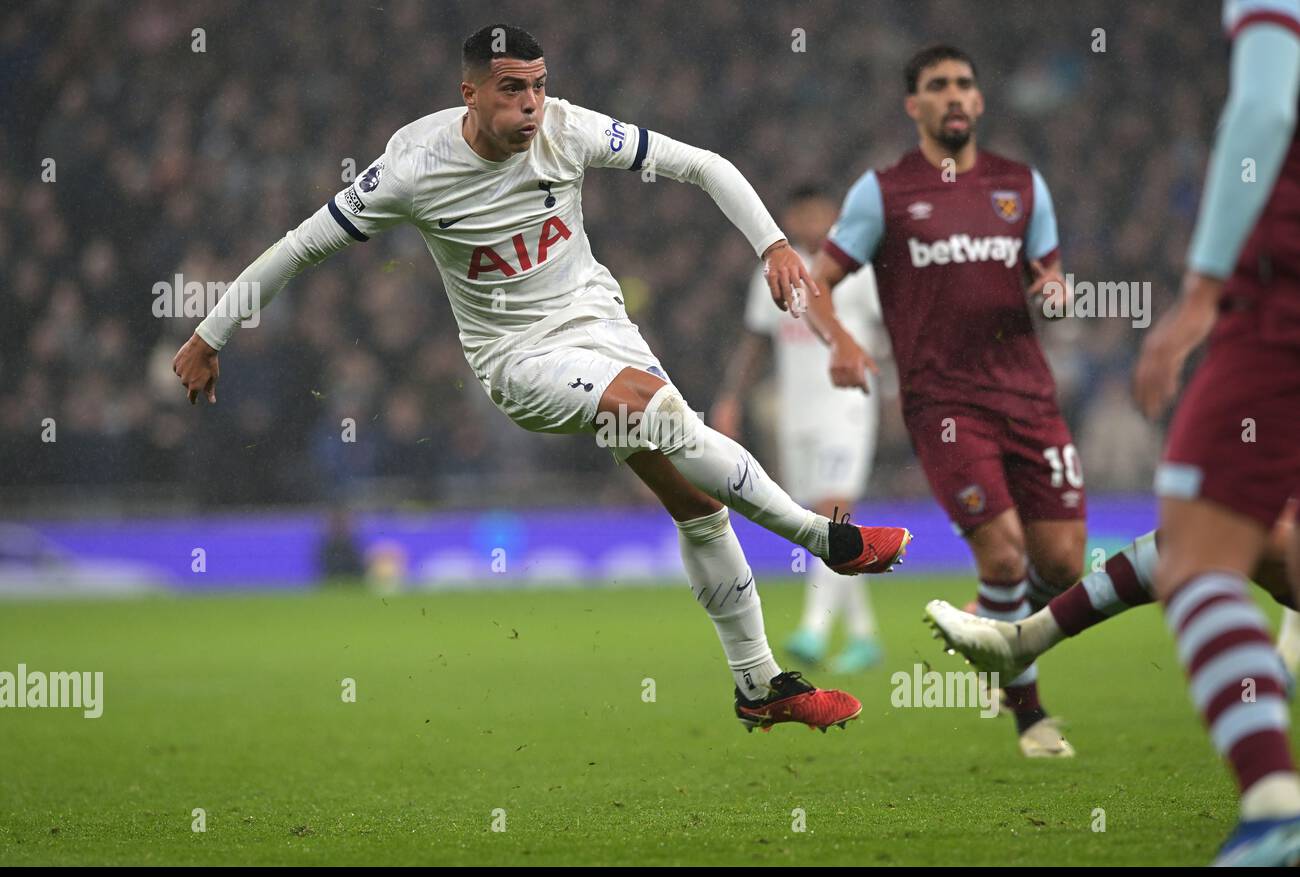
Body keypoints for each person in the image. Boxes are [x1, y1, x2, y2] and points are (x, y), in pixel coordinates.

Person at [170, 24, 912, 734]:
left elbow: (703, 165)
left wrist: (774, 244)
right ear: (470, 95)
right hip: (520, 361)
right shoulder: (411, 171)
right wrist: (211, 331)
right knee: (659, 412)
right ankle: (823, 538)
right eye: (511, 90)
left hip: (601, 325)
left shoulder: (566, 127)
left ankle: (759, 686)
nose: (530, 105)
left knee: (696, 505)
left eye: (538, 86)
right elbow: (301, 247)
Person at [934, 0, 1300, 865]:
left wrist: (1202, 290)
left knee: (1203, 554)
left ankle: (1275, 804)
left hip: (1278, 289)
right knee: (1230, 541)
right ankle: (1025, 639)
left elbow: (1264, 107)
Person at [795, 45, 1081, 757]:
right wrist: (840, 342)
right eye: (937, 86)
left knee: (1065, 565)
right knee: (1006, 557)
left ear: (980, 102)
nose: (953, 95)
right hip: (945, 405)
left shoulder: (1021, 185)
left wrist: (1052, 288)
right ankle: (1030, 715)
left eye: (964, 84)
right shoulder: (883, 192)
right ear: (913, 105)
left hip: (1030, 398)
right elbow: (815, 282)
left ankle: (999, 625)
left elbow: (1047, 269)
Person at [712, 184, 888, 673]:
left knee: (834, 514)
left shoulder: (858, 271)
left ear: (832, 217)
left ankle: (812, 628)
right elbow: (755, 341)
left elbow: (888, 332)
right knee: (825, 525)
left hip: (848, 407)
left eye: (818, 214)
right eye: (800, 215)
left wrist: (893, 385)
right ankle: (864, 636)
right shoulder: (772, 272)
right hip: (797, 414)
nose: (809, 224)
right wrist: (730, 398)